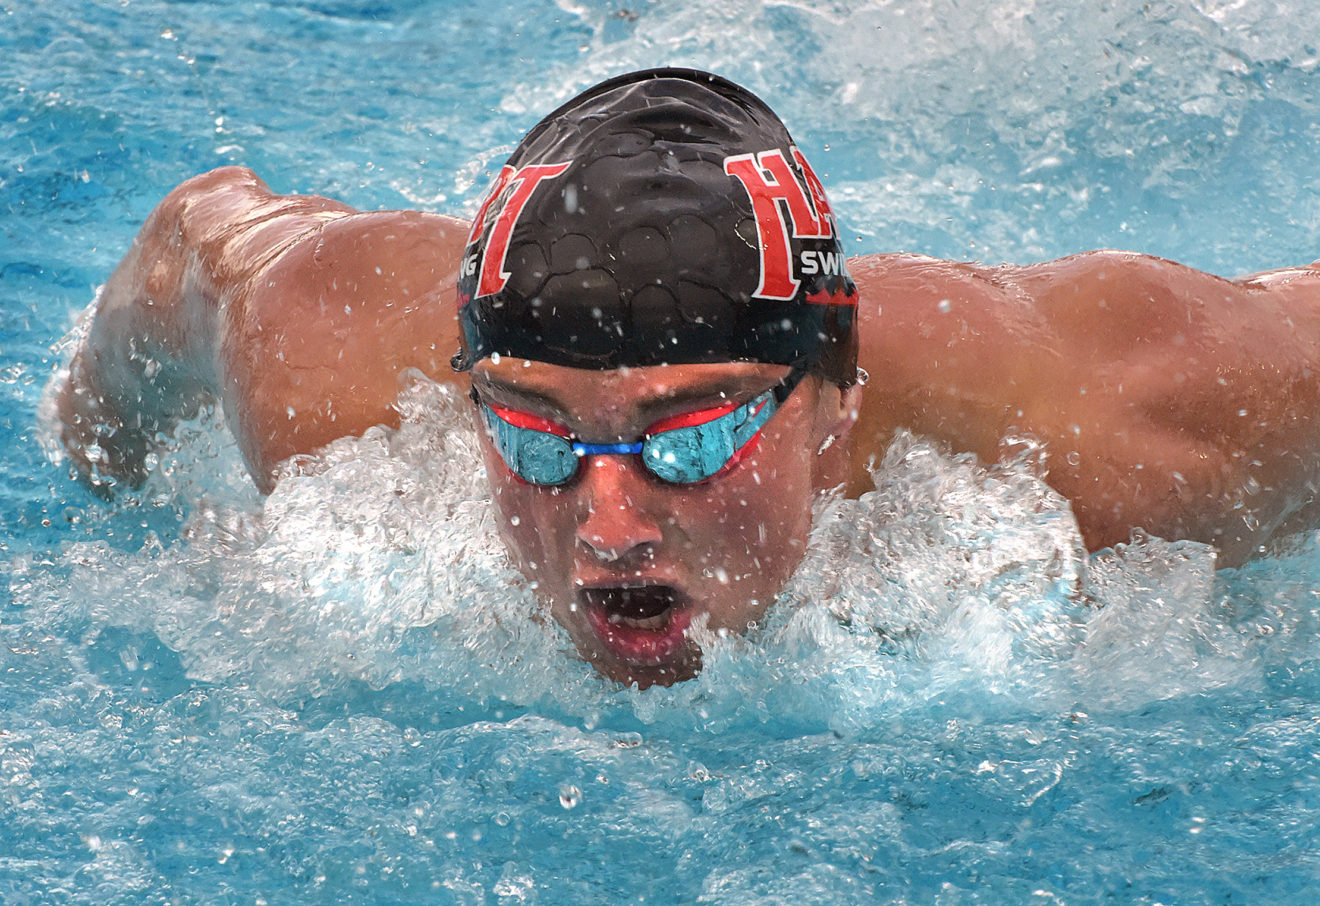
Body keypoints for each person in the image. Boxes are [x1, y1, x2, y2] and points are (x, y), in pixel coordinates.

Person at [55, 68, 1320, 686]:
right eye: (539, 437)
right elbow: (193, 243)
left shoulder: (1114, 436)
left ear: (834, 404)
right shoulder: (322, 376)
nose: (607, 526)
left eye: (694, 438)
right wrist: (90, 455)